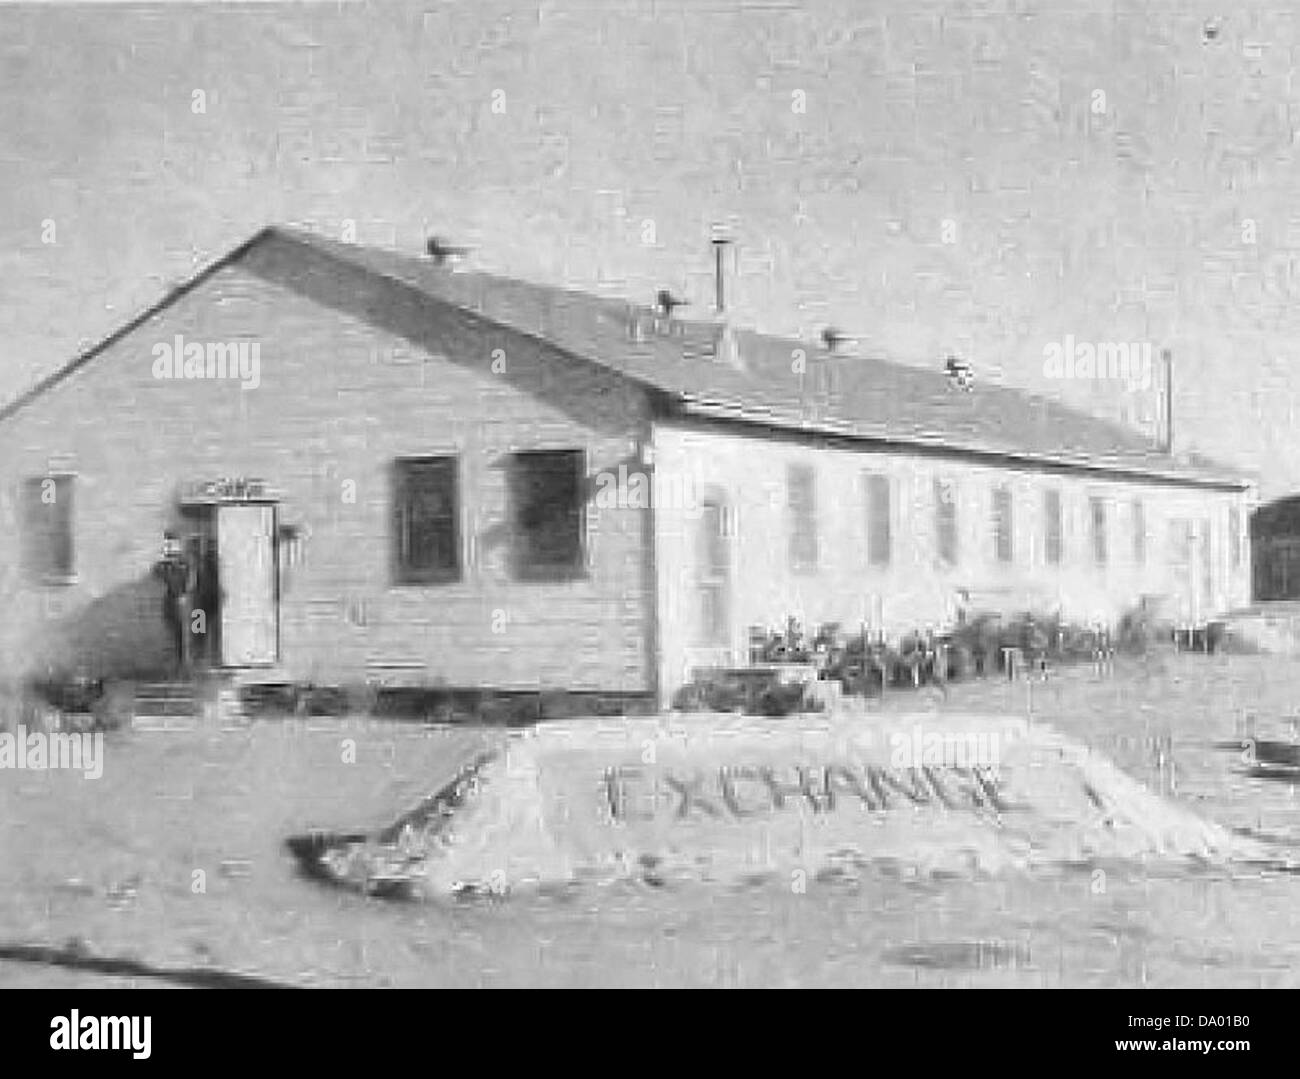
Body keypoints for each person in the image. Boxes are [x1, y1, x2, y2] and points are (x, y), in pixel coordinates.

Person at [153, 530, 193, 674]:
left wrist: (183, 594)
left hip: (187, 601)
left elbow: (187, 579)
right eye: (168, 543)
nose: (169, 546)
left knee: (189, 631)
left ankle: (187, 662)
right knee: (174, 630)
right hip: (174, 599)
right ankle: (180, 662)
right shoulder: (169, 562)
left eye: (172, 542)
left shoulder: (184, 562)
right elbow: (158, 573)